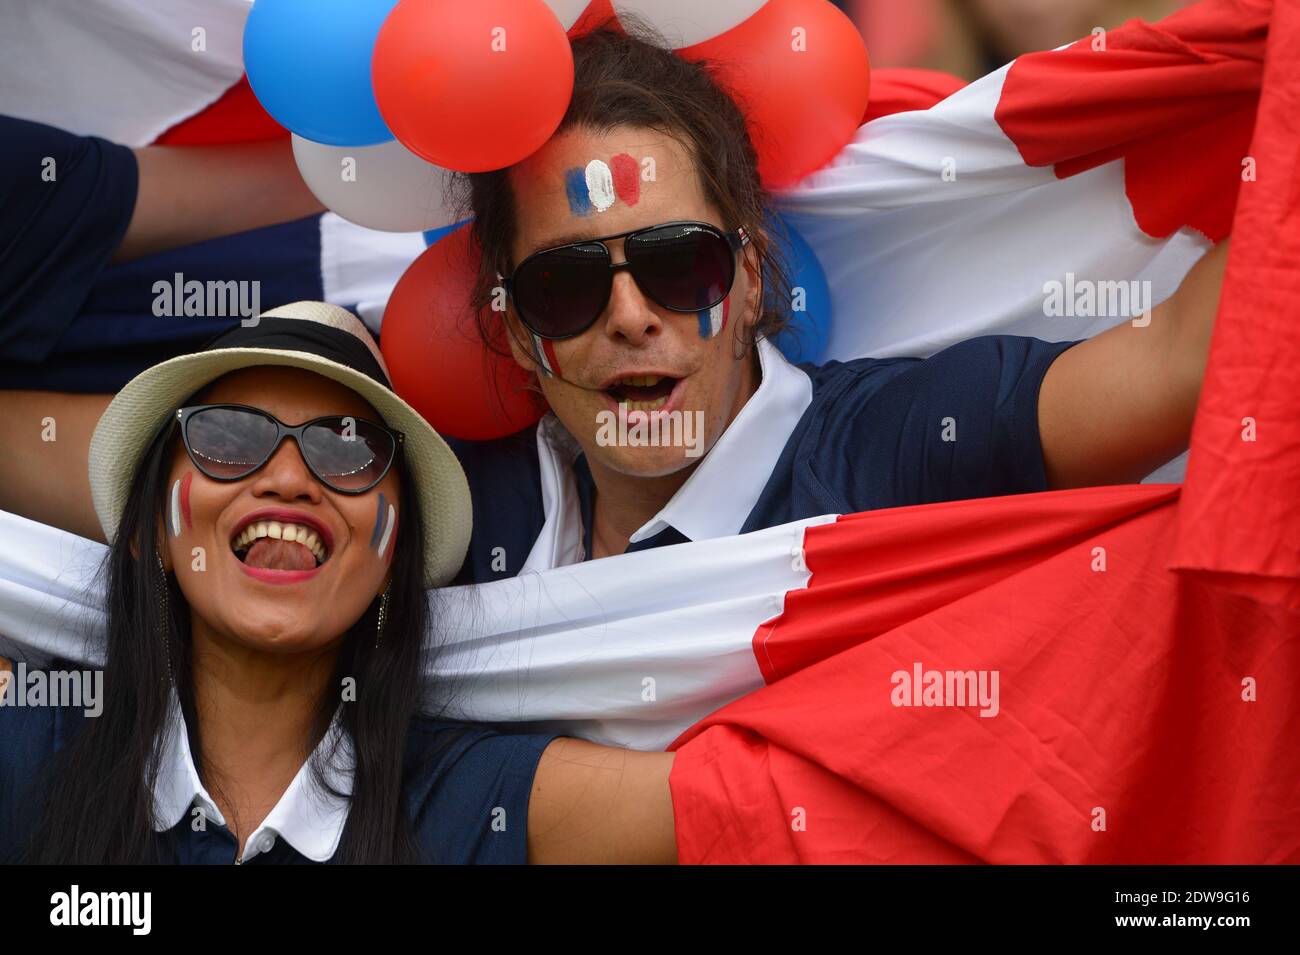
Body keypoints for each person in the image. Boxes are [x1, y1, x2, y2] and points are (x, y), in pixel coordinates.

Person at [443, 19, 1228, 582]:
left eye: (681, 264)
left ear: (751, 282)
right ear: (513, 330)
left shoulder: (898, 447)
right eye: (565, 285)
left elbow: (1183, 361)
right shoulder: (458, 520)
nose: (630, 315)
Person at [0, 303, 675, 864]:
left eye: (349, 449)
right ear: (153, 531)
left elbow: (750, 801)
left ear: (392, 560)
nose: (289, 479)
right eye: (229, 436)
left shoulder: (478, 797)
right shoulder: (28, 748)